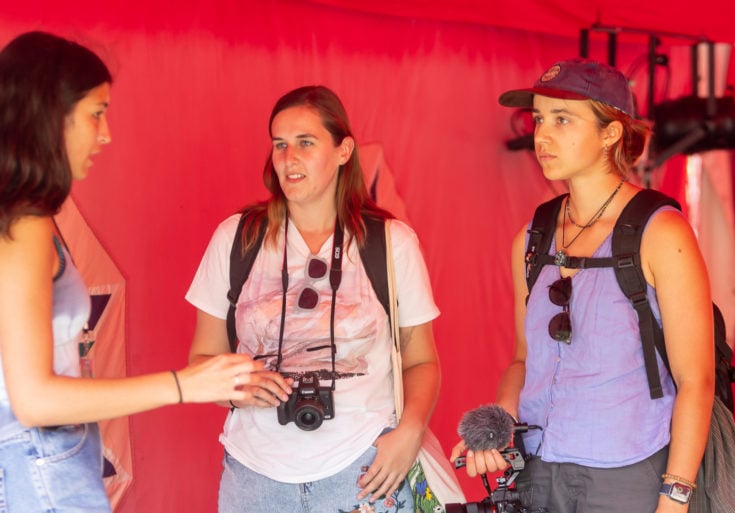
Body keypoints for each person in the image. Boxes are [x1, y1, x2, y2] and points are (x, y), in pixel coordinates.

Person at [0, 31, 261, 512]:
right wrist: (185, 385)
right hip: (39, 464)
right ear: (48, 115)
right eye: (96, 113)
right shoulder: (25, 225)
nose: (107, 133)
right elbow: (32, 400)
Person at [450, 59, 715, 513]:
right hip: (537, 471)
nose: (542, 135)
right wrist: (498, 428)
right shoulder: (532, 237)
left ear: (610, 132)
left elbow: (697, 379)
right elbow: (522, 359)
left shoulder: (662, 232)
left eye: (562, 119)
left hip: (628, 475)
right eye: (538, 119)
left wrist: (675, 496)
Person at [186, 84, 441, 513]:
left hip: (365, 469)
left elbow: (422, 361)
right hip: (255, 476)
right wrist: (238, 390)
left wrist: (410, 432)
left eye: (306, 142)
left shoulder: (390, 243)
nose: (289, 158)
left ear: (344, 151)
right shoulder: (237, 237)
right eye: (280, 145)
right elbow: (202, 360)